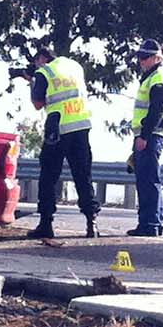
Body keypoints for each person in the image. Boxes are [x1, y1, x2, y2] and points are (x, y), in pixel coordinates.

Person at [27, 43, 99, 239]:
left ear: (42, 58)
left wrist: (32, 81)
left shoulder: (44, 72)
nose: (36, 65)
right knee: (83, 175)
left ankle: (46, 224)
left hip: (57, 130)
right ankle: (91, 222)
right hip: (81, 126)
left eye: (36, 61)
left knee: (48, 177)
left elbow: (37, 103)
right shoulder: (74, 66)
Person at [126, 39, 163, 238]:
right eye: (140, 57)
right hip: (146, 135)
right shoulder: (151, 77)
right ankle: (153, 222)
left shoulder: (158, 78)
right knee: (148, 180)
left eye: (145, 57)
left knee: (147, 181)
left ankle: (149, 224)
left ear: (156, 58)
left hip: (150, 136)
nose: (141, 61)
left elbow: (157, 110)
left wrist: (144, 136)